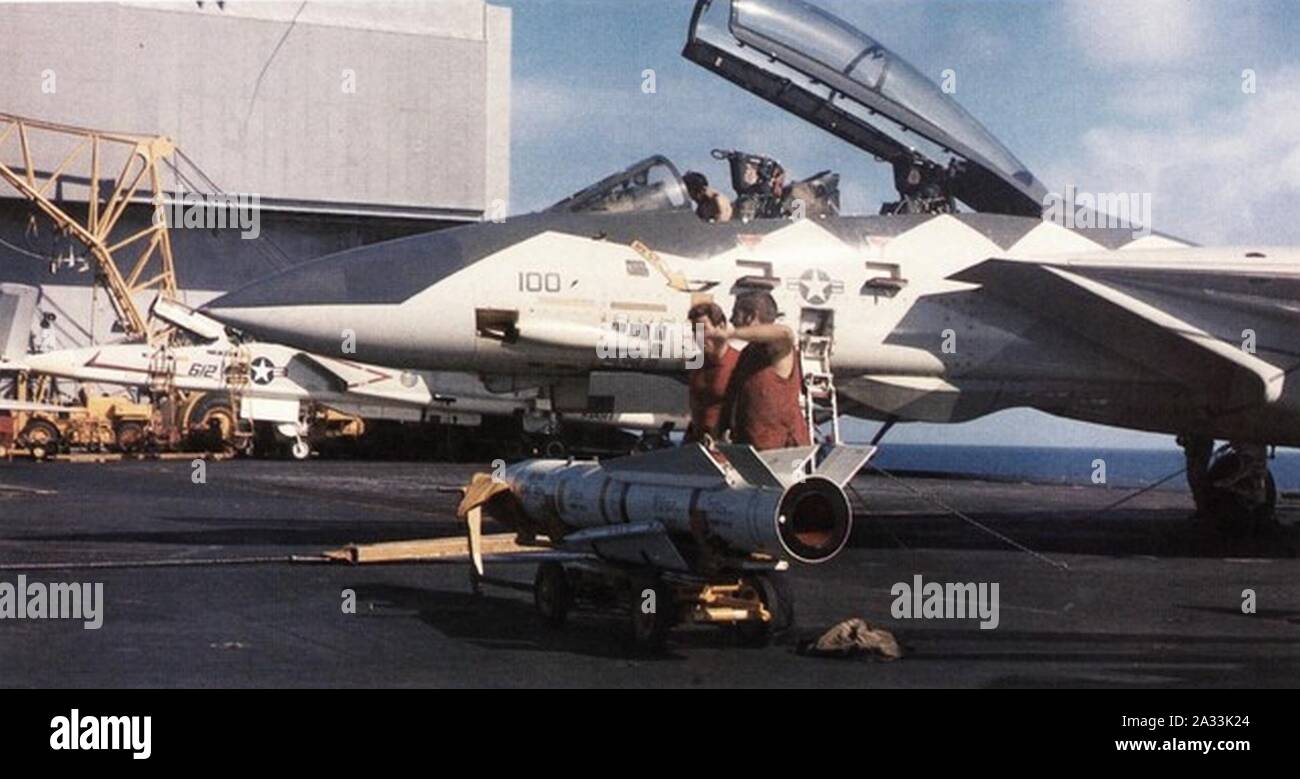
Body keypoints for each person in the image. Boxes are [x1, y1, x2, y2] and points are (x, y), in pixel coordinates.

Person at [720, 290, 811, 450]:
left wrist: (731, 334)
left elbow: (784, 333)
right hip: (749, 448)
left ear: (751, 316)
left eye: (736, 313)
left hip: (782, 453)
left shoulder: (778, 349)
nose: (731, 319)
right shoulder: (748, 353)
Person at [684, 301, 739, 444]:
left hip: (724, 444)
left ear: (721, 327)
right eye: (695, 330)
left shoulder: (738, 363)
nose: (699, 336)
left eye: (704, 330)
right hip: (697, 442)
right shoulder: (696, 362)